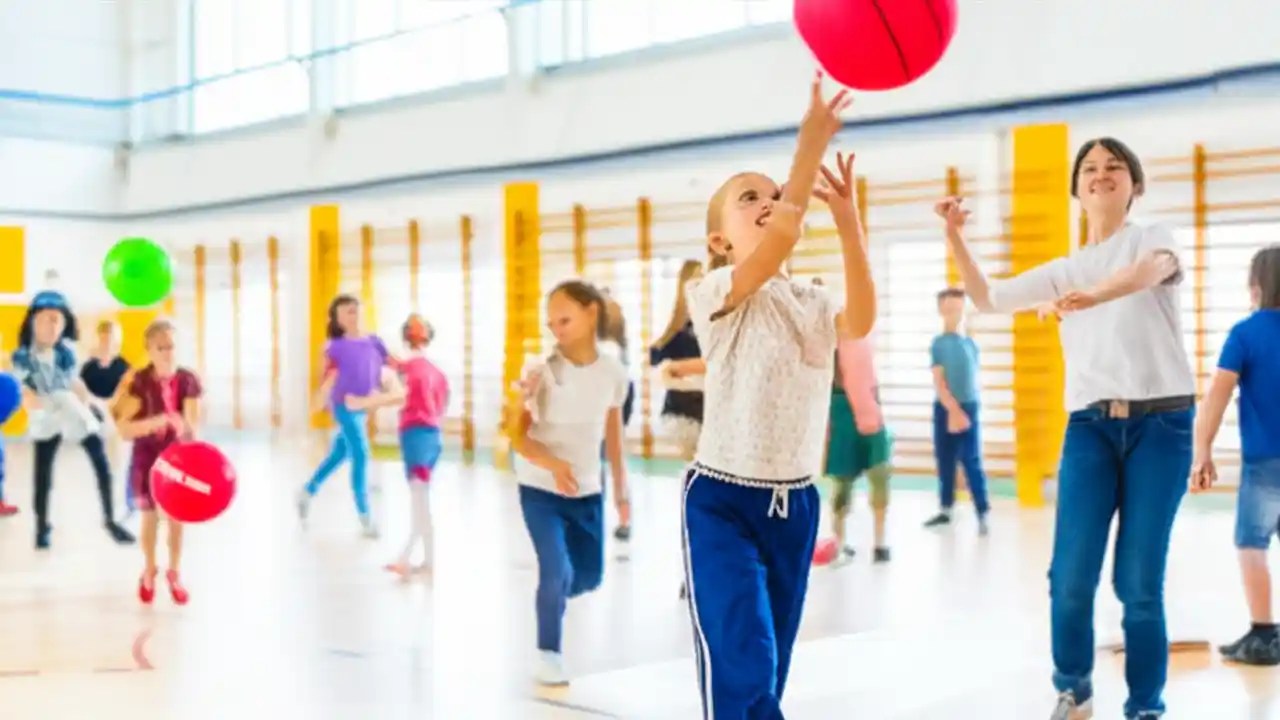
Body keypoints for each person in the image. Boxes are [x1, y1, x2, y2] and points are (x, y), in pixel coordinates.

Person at [939, 137, 1195, 720]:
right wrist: (955, 236)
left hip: (1163, 426)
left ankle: (1145, 705)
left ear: (1135, 185)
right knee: (1071, 576)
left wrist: (1093, 295)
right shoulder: (1062, 271)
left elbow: (1151, 271)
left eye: (1115, 167)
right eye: (1090, 169)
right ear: (1077, 190)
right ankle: (1073, 687)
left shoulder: (1153, 236)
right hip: (1091, 429)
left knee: (1138, 585)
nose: (1101, 174)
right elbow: (989, 297)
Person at [682, 73, 874, 718]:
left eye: (774, 194)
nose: (768, 201)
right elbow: (780, 241)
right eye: (748, 198)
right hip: (722, 502)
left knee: (775, 665)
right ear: (719, 242)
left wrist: (849, 223)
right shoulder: (715, 295)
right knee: (747, 654)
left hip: (796, 504)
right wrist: (809, 146)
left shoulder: (810, 300)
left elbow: (862, 321)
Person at [513, 280, 630, 687]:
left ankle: (554, 596)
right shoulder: (540, 369)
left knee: (586, 577)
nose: (556, 329)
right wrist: (552, 463)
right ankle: (548, 652)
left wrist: (621, 492)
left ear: (590, 313)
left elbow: (613, 437)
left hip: (586, 491)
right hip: (539, 487)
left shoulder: (614, 372)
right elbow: (517, 437)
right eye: (551, 323)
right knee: (554, 569)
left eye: (564, 319)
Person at [1191, 244, 1280, 666]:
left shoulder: (1245, 334)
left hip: (1265, 462)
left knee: (1252, 544)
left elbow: (1217, 396)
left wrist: (1202, 452)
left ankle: (1264, 635)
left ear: (1256, 287)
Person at [10, 290, 135, 549]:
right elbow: (23, 388)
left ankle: (110, 519)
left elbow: (74, 382)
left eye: (58, 320)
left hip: (71, 408)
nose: (52, 326)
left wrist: (89, 403)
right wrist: (31, 401)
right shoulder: (23, 356)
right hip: (45, 413)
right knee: (43, 472)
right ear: (33, 321)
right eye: (46, 319)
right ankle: (42, 526)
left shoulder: (67, 352)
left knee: (100, 461)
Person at [112, 319, 202, 605]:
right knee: (149, 517)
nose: (167, 353)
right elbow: (125, 429)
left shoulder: (188, 380)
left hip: (177, 458)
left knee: (177, 517)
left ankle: (174, 571)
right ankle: (150, 568)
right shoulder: (137, 382)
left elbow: (192, 426)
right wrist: (158, 421)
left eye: (171, 346)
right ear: (149, 350)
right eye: (160, 347)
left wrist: (187, 438)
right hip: (145, 457)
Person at [297, 294, 392, 538]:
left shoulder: (375, 342)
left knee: (340, 453)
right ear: (338, 320)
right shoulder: (334, 348)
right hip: (344, 407)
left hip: (363, 407)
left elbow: (385, 371)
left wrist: (382, 391)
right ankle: (365, 516)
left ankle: (307, 491)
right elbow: (326, 381)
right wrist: (317, 402)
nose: (353, 314)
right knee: (361, 453)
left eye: (355, 309)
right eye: (347, 312)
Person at [367, 314, 449, 578]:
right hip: (432, 436)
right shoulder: (437, 373)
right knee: (420, 499)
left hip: (416, 437)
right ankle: (421, 560)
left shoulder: (405, 369)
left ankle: (418, 560)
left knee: (419, 502)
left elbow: (388, 382)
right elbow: (442, 405)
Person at [820, 334, 893, 565]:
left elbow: (872, 380)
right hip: (840, 411)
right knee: (842, 484)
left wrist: (877, 412)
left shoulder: (865, 341)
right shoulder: (828, 344)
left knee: (880, 473)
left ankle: (880, 542)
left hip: (869, 412)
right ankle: (840, 542)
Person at [923, 287, 991, 534]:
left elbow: (971, 380)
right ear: (941, 310)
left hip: (970, 407)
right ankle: (946, 509)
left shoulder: (971, 343)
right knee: (945, 460)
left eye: (958, 308)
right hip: (945, 408)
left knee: (971, 459)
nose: (955, 313)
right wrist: (952, 409)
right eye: (949, 308)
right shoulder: (938, 344)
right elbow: (939, 382)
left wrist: (964, 411)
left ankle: (983, 512)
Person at [80, 320, 132, 515]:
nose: (107, 343)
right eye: (104, 338)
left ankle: (123, 503)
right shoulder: (89, 368)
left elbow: (128, 392)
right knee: (103, 466)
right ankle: (108, 502)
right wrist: (95, 403)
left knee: (119, 462)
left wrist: (112, 403)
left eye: (111, 339)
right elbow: (81, 392)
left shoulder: (123, 366)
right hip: (95, 420)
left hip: (117, 421)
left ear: (116, 341)